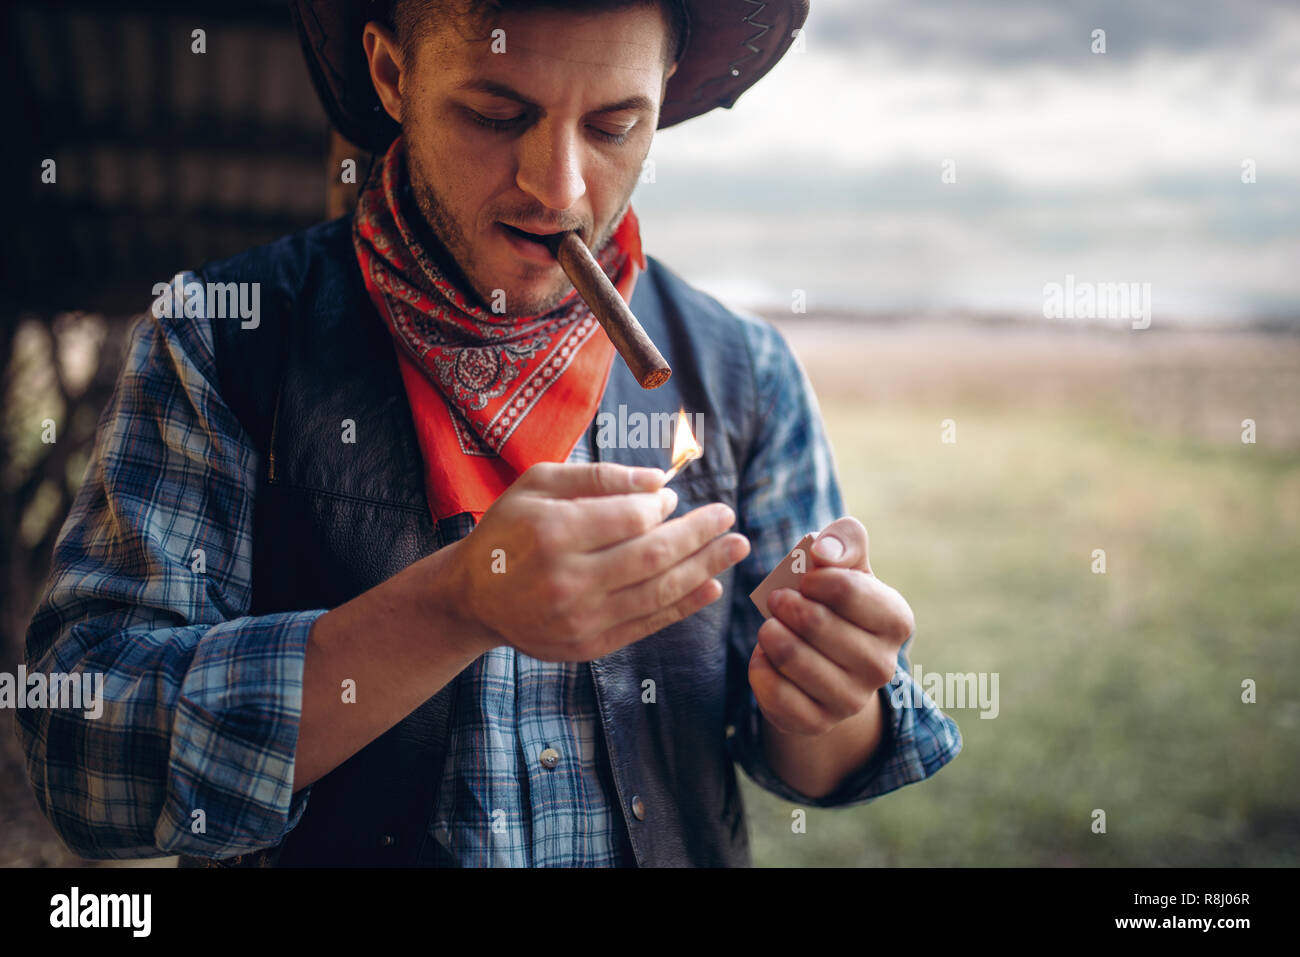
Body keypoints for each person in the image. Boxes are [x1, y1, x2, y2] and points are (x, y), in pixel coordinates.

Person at [18, 0, 961, 867]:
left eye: (613, 126)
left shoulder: (744, 373)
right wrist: (453, 607)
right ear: (393, 77)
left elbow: (809, 761)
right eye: (496, 115)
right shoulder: (222, 338)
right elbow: (85, 755)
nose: (557, 187)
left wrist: (826, 693)